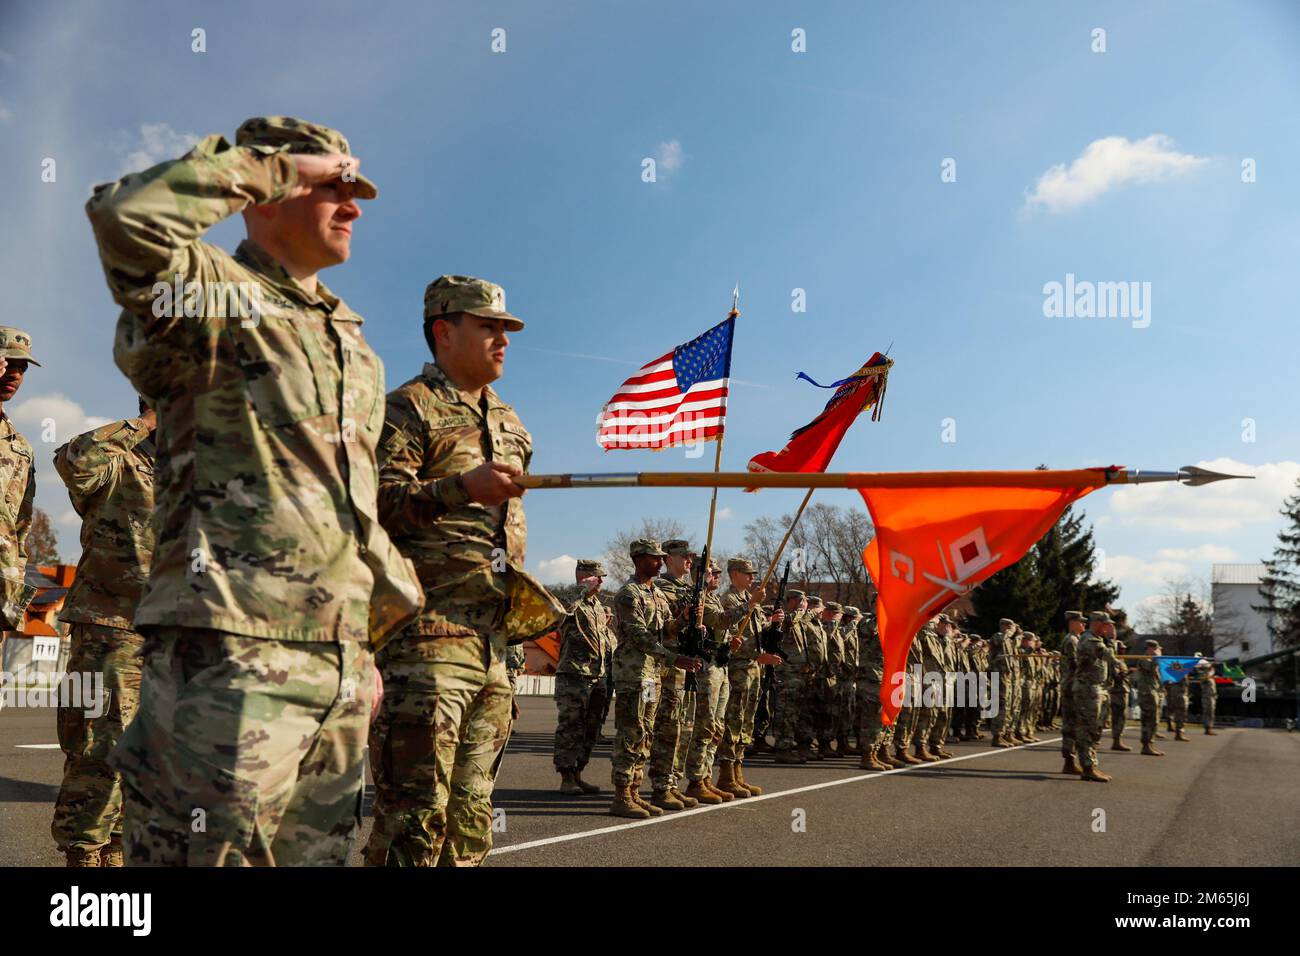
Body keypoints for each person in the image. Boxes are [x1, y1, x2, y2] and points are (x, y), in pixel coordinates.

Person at [86, 116, 423, 865]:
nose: (354, 207)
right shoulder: (213, 293)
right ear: (272, 187)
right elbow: (125, 218)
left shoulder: (354, 343)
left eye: (356, 191)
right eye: (334, 187)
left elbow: (349, 509)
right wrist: (266, 167)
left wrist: (358, 649)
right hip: (229, 656)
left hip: (335, 666)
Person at [366, 274, 561, 866]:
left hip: (492, 645)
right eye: (490, 327)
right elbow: (370, 505)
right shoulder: (405, 409)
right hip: (426, 641)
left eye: (507, 329)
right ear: (444, 331)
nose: (504, 339)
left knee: (471, 820)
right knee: (414, 821)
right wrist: (458, 489)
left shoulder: (510, 421)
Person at [50, 406, 154, 867]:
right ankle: (84, 862)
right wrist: (146, 422)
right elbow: (74, 462)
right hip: (110, 631)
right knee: (98, 752)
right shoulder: (119, 460)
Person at [607, 540, 701, 819]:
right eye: (654, 559)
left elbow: (663, 632)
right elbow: (639, 635)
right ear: (638, 559)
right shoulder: (628, 594)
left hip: (651, 676)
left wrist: (684, 619)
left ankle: (635, 791)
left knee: (645, 732)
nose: (659, 563)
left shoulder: (655, 594)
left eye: (661, 559)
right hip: (633, 674)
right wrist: (673, 659)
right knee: (630, 733)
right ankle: (621, 795)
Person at [716, 558, 781, 795]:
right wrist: (757, 655)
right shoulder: (730, 600)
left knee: (746, 720)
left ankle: (737, 769)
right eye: (747, 573)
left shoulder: (748, 600)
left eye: (753, 574)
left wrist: (771, 623)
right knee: (733, 719)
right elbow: (730, 637)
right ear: (734, 574)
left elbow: (756, 631)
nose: (753, 578)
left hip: (753, 669)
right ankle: (725, 774)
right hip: (738, 668)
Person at [553, 560, 614, 795]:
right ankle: (566, 776)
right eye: (596, 577)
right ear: (583, 576)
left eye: (601, 577)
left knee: (592, 726)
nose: (601, 581)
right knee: (571, 726)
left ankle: (578, 772)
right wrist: (581, 588)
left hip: (598, 674)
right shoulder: (571, 598)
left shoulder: (597, 605)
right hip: (574, 674)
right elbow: (561, 610)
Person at [0, 327, 38, 674]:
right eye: (9, 362)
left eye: (22, 367)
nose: (14, 373)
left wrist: (14, 592)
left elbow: (20, 529)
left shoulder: (20, 447)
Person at [650, 539, 698, 811]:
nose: (688, 562)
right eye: (683, 557)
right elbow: (670, 622)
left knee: (682, 727)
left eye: (690, 557)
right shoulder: (662, 587)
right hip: (668, 664)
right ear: (669, 558)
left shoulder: (689, 589)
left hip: (685, 664)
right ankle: (660, 786)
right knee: (667, 727)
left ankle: (672, 784)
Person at [682, 559, 733, 805]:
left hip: (719, 669)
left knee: (716, 727)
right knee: (704, 726)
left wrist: (728, 646)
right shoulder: (697, 599)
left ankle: (706, 778)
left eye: (719, 572)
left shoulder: (713, 599)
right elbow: (720, 621)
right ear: (699, 574)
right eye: (713, 572)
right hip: (705, 671)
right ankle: (695, 781)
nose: (718, 576)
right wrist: (751, 604)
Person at [1071, 612, 1120, 782]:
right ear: (1097, 623)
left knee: (1096, 729)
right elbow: (1109, 656)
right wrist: (1112, 640)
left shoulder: (1096, 640)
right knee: (1087, 729)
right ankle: (1088, 767)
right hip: (1087, 690)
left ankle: (1091, 765)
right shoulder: (1089, 639)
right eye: (1106, 624)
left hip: (1096, 689)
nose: (1109, 627)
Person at [1134, 639, 1165, 756]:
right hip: (1146, 692)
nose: (1158, 651)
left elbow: (1157, 677)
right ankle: (1146, 745)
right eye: (1156, 649)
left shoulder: (1152, 660)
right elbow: (1150, 668)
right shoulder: (1144, 659)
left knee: (1154, 720)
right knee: (1148, 719)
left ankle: (1150, 744)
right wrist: (1156, 658)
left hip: (1153, 691)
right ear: (1150, 648)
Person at [1109, 640, 1132, 751]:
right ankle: (1116, 741)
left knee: (1122, 717)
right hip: (1117, 692)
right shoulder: (1115, 661)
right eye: (1121, 648)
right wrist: (1128, 672)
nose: (1124, 650)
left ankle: (1118, 740)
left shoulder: (1121, 661)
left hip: (1123, 691)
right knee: (1118, 717)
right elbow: (1116, 677)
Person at [1196, 659, 1218, 734]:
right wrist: (1211, 670)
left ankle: (1209, 727)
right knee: (1208, 711)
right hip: (1207, 697)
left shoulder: (1210, 677)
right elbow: (1206, 676)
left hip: (1211, 696)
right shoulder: (1204, 675)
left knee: (1211, 712)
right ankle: (1207, 728)